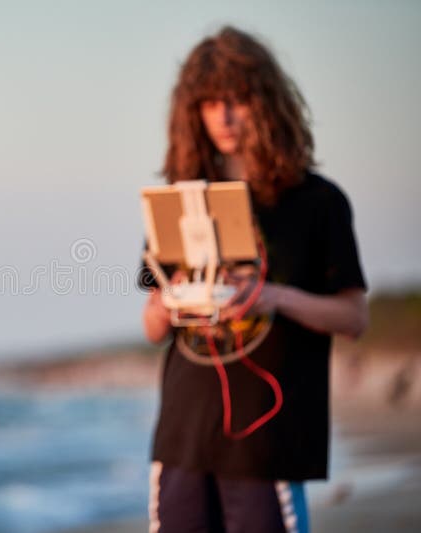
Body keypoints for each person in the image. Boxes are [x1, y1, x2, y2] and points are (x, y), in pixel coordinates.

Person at [139, 26, 368, 533]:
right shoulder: (179, 200)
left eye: (237, 99)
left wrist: (273, 297)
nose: (223, 116)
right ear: (192, 112)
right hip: (182, 438)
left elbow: (355, 317)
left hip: (268, 441)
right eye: (209, 103)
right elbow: (152, 327)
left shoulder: (317, 202)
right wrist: (172, 302)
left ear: (266, 102)